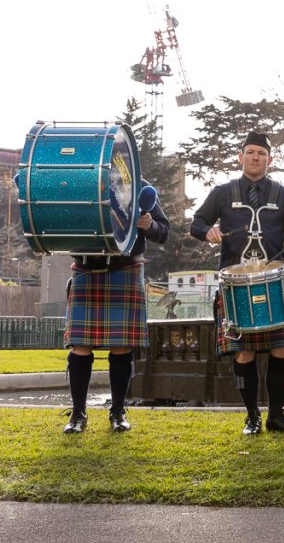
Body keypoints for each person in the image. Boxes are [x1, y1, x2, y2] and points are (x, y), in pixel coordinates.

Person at [190, 131, 284, 436]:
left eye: (261, 153)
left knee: (283, 350)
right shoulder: (222, 193)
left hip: (273, 285)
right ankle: (252, 416)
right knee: (244, 353)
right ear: (240, 157)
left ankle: (278, 416)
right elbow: (197, 223)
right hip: (236, 287)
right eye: (250, 152)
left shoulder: (283, 195)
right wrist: (208, 232)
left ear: (269, 159)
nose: (256, 157)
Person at [62, 181, 170, 434]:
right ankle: (78, 414)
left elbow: (164, 231)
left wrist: (149, 225)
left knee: (121, 346)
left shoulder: (137, 183)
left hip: (125, 268)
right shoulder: (78, 182)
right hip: (85, 269)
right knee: (80, 346)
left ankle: (118, 412)